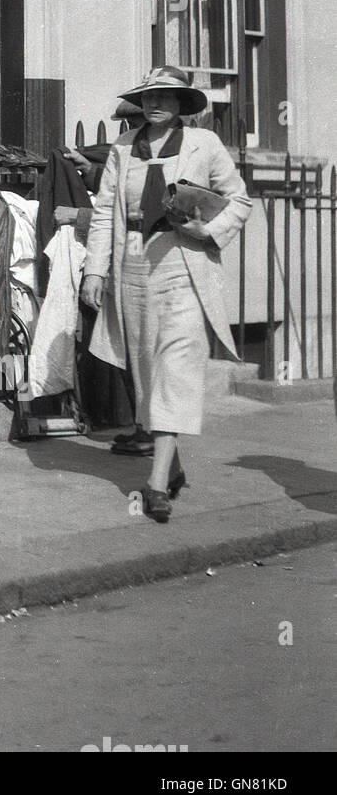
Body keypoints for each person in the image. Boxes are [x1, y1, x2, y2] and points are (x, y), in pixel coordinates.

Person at [80, 66, 250, 522]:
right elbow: (102, 214)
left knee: (175, 363)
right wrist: (95, 271)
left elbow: (239, 200)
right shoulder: (122, 147)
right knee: (147, 369)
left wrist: (206, 229)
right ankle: (170, 465)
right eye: (150, 95)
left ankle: (155, 484)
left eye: (167, 96)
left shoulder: (204, 145)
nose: (156, 102)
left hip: (183, 259)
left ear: (182, 104)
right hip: (133, 260)